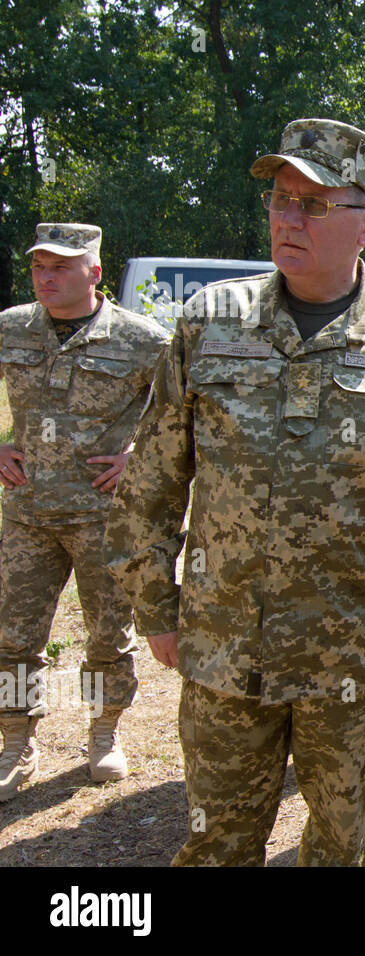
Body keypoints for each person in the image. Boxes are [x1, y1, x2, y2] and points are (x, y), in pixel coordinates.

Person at [104, 118, 365, 866]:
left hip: (353, 652)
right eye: (283, 199)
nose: (289, 219)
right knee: (216, 838)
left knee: (341, 841)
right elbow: (154, 476)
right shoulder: (208, 322)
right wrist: (156, 606)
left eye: (316, 204)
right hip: (223, 645)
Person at [0, 223, 169, 801]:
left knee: (108, 634)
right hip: (26, 514)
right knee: (13, 636)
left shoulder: (143, 339)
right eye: (39, 268)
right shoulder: (11, 328)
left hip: (104, 516)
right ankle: (15, 742)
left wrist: (141, 453)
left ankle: (103, 733)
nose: (45, 278)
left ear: (94, 272)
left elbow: (186, 408)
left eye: (60, 268)